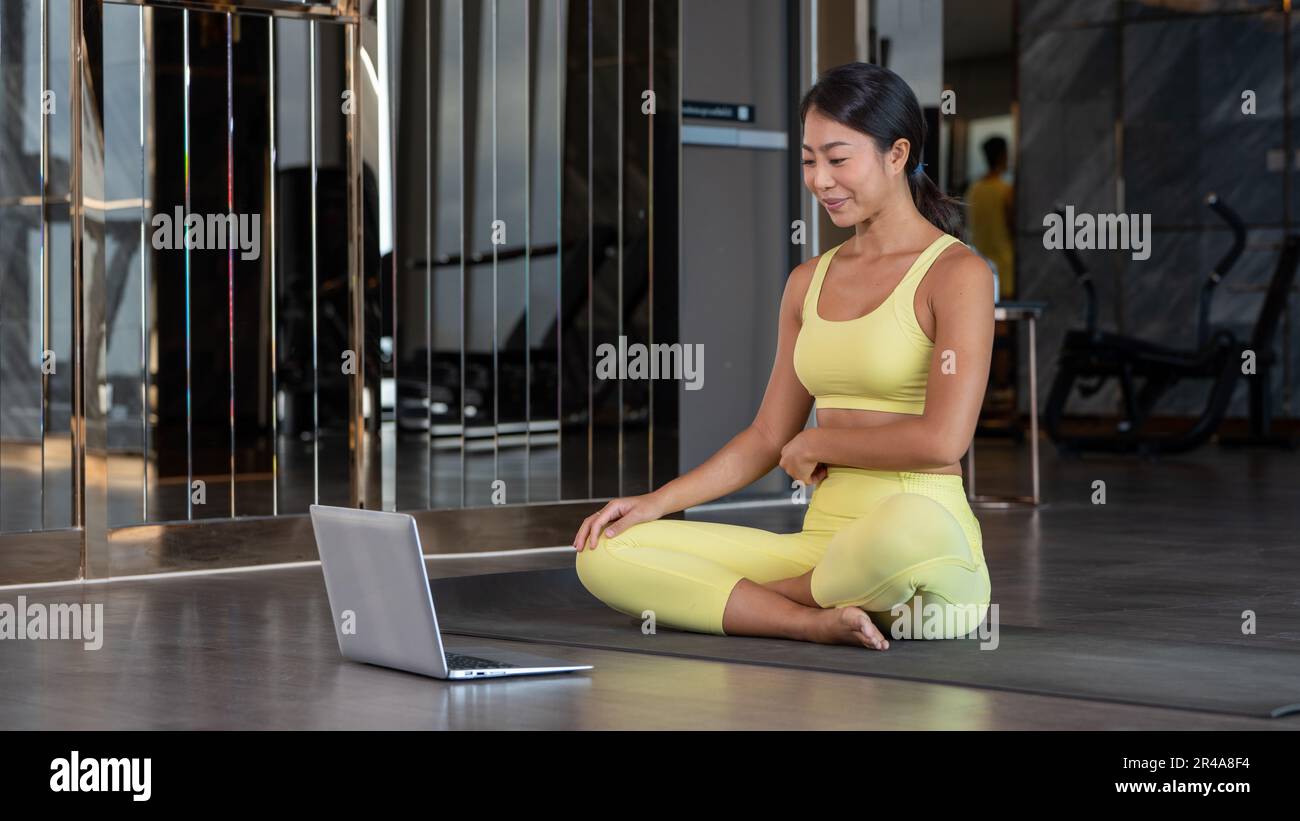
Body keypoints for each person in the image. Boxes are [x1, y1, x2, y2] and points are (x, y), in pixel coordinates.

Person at [572, 62, 994, 651]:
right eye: (808, 159)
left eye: (838, 159)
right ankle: (811, 618)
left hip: (924, 566)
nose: (820, 179)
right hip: (822, 547)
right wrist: (655, 503)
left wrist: (819, 443)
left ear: (897, 155)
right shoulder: (807, 282)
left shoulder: (957, 273)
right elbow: (770, 435)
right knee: (607, 552)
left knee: (907, 532)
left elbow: (943, 441)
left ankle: (774, 595)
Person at [966, 135, 1015, 298]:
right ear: (1003, 156)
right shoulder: (1005, 190)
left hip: (979, 261)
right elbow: (1012, 225)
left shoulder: (973, 190)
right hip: (1004, 264)